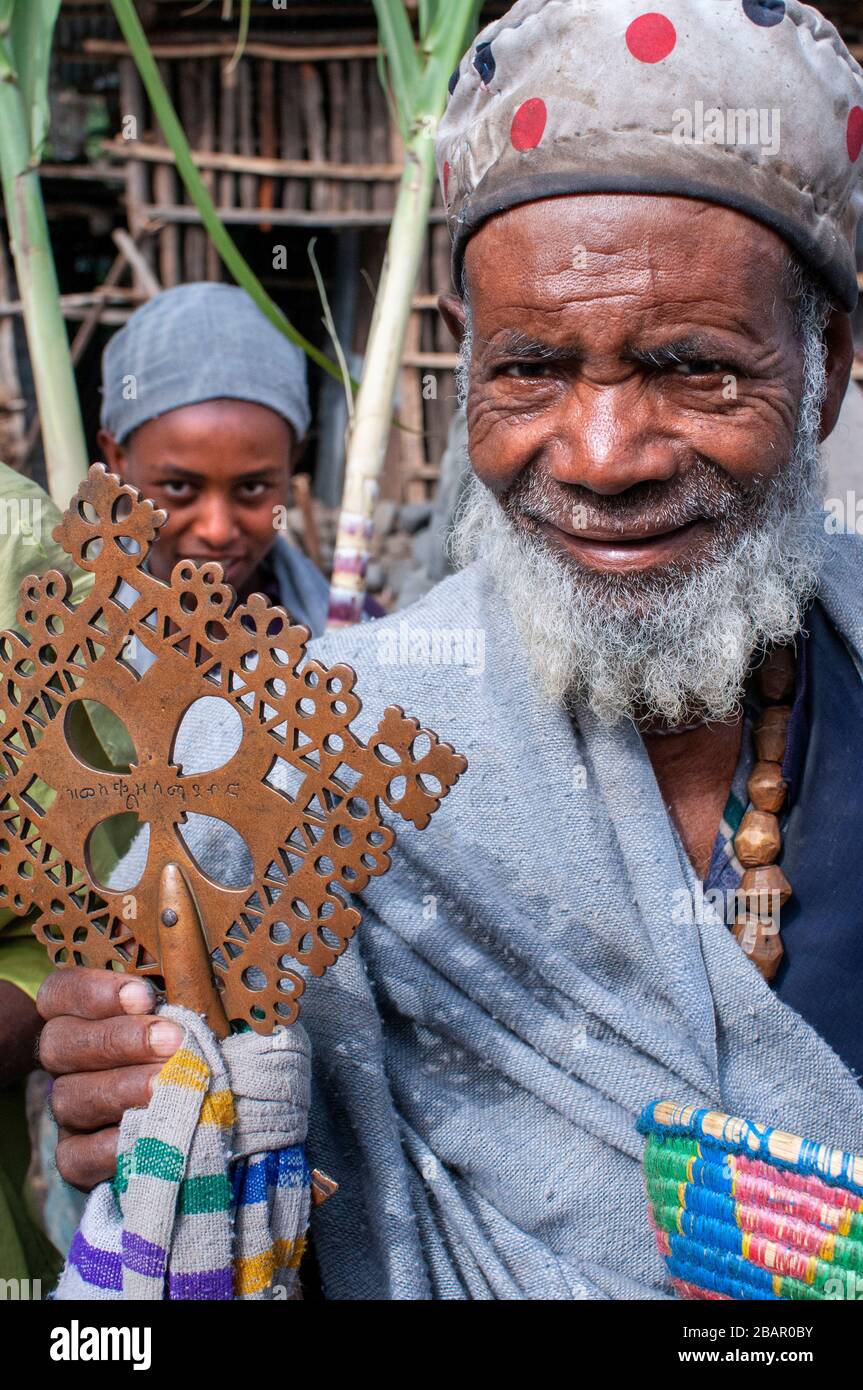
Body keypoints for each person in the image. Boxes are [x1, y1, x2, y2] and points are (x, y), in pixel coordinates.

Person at [37, 0, 863, 1299]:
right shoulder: (320, 749)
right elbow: (179, 1203)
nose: (598, 457)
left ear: (821, 375)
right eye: (528, 369)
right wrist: (125, 1112)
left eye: (691, 368)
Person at [97, 281, 332, 634]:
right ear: (118, 461)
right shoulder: (64, 643)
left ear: (292, 461)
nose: (218, 531)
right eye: (179, 487)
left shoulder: (350, 632)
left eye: (252, 488)